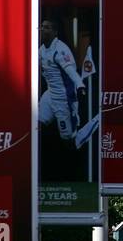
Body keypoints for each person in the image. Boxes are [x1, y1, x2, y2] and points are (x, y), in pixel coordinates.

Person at [39, 18, 100, 148]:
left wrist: (80, 86)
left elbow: (70, 71)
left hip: (63, 98)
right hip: (50, 94)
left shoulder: (60, 50)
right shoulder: (41, 50)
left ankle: (96, 122)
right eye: (42, 27)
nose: (43, 30)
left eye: (47, 27)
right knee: (35, 124)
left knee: (69, 140)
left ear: (55, 32)